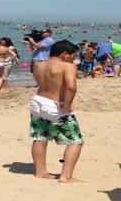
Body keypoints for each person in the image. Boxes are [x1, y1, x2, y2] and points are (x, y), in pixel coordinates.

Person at [29, 40, 82, 182]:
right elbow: (71, 87)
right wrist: (67, 105)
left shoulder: (38, 64)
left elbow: (41, 82)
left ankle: (40, 172)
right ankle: (66, 176)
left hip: (38, 101)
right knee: (75, 140)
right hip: (55, 104)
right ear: (64, 54)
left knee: (40, 136)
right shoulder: (68, 66)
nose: (73, 59)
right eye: (73, 55)